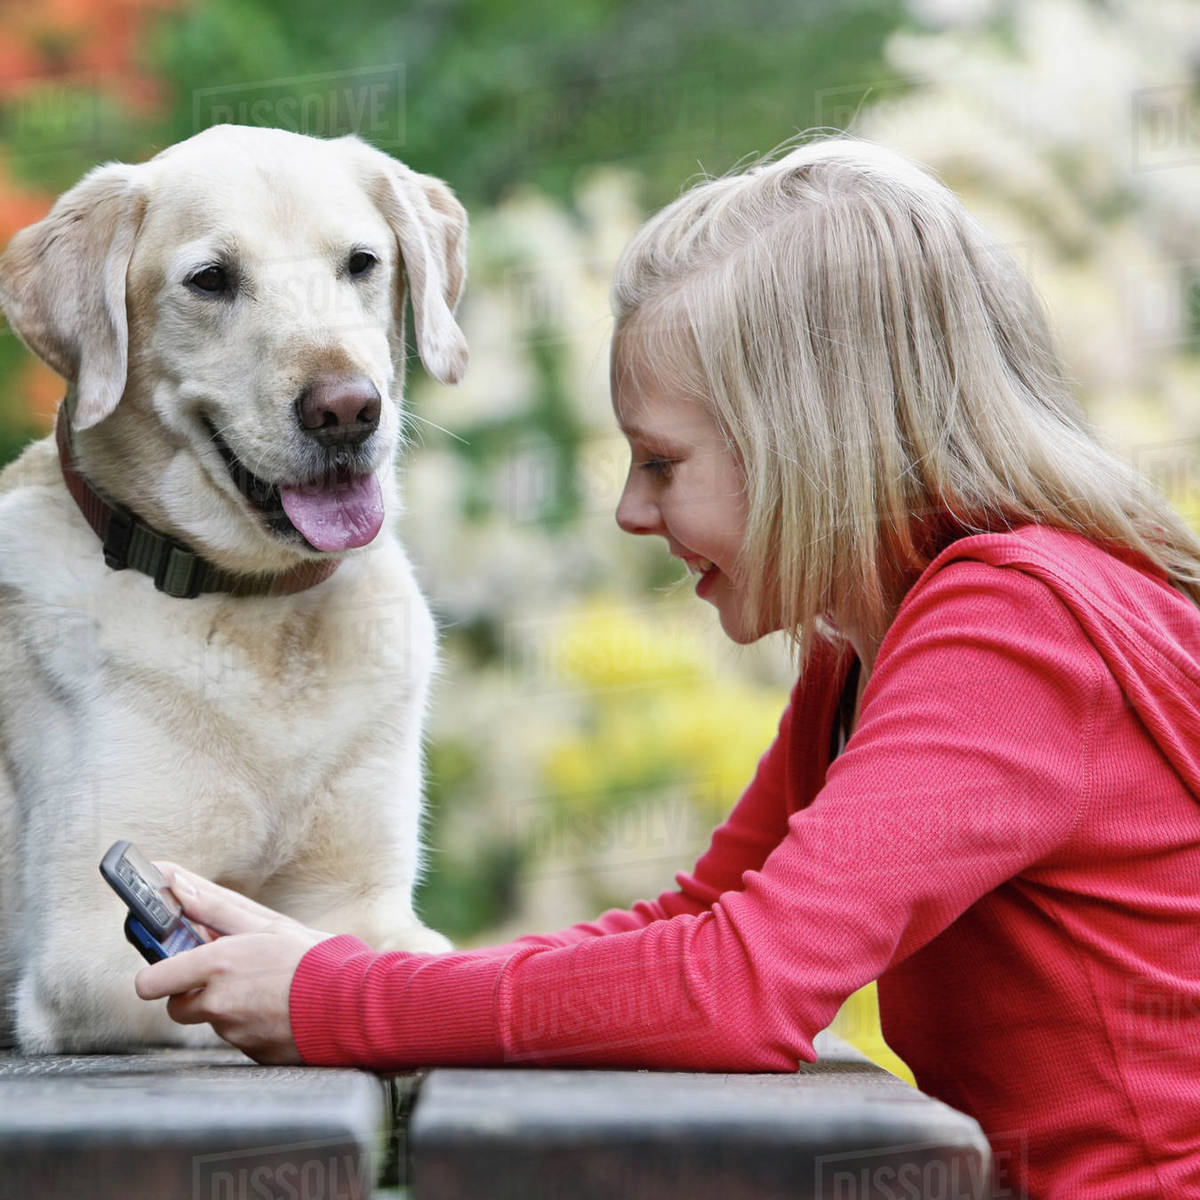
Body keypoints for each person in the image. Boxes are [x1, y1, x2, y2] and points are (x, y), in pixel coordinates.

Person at [136, 135, 1200, 1197]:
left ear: (813, 442)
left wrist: (330, 1000)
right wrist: (342, 968)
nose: (631, 512)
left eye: (662, 463)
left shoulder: (1015, 627)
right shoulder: (871, 647)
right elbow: (698, 924)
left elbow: (739, 991)